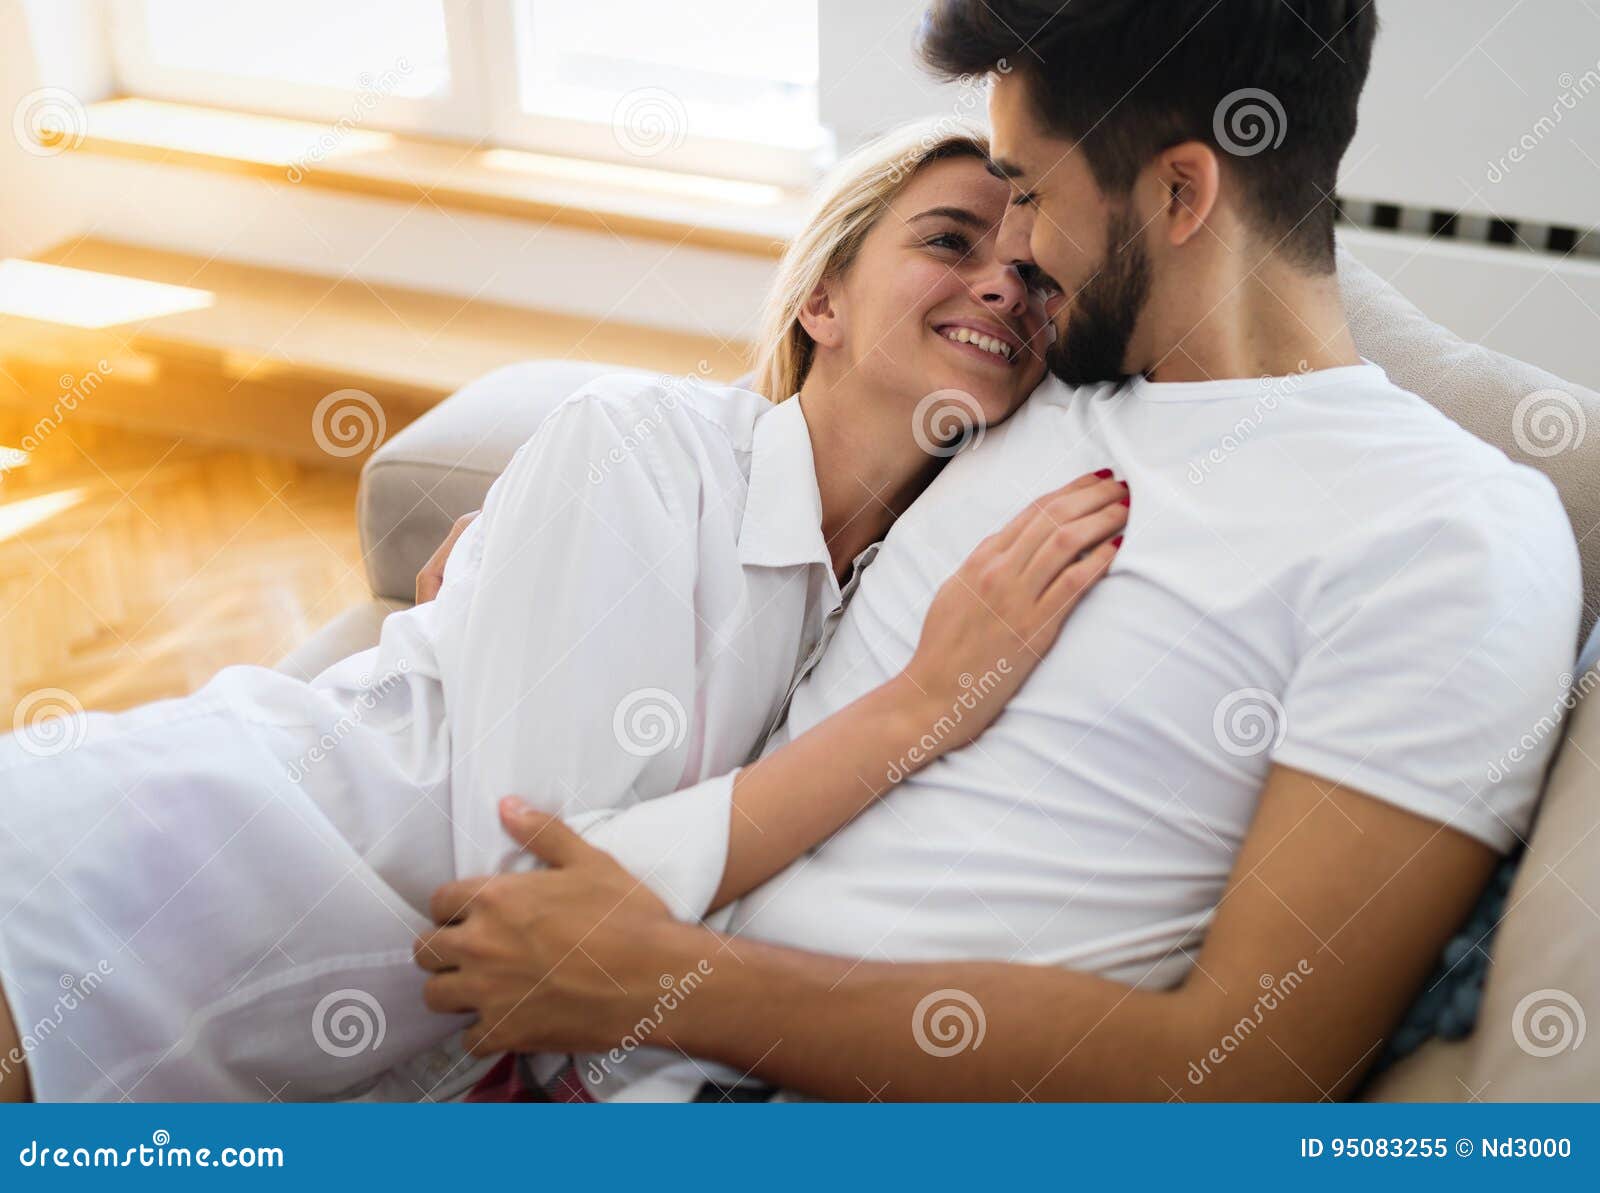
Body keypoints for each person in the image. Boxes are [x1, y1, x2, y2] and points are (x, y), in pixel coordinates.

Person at [414, 0, 1582, 1101]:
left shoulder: (1448, 533)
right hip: (556, 1048)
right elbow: (771, 481)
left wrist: (672, 984)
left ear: (1181, 195)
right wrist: (527, 564)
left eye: (1028, 191)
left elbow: (1238, 1076)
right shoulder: (1022, 388)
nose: (1016, 251)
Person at [0, 119, 1129, 1102]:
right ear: (822, 300)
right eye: (949, 240)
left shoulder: (889, 597)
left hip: (299, 1053)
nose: (1000, 284)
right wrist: (921, 706)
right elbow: (533, 913)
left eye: (1034, 277)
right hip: (127, 884)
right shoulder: (636, 445)